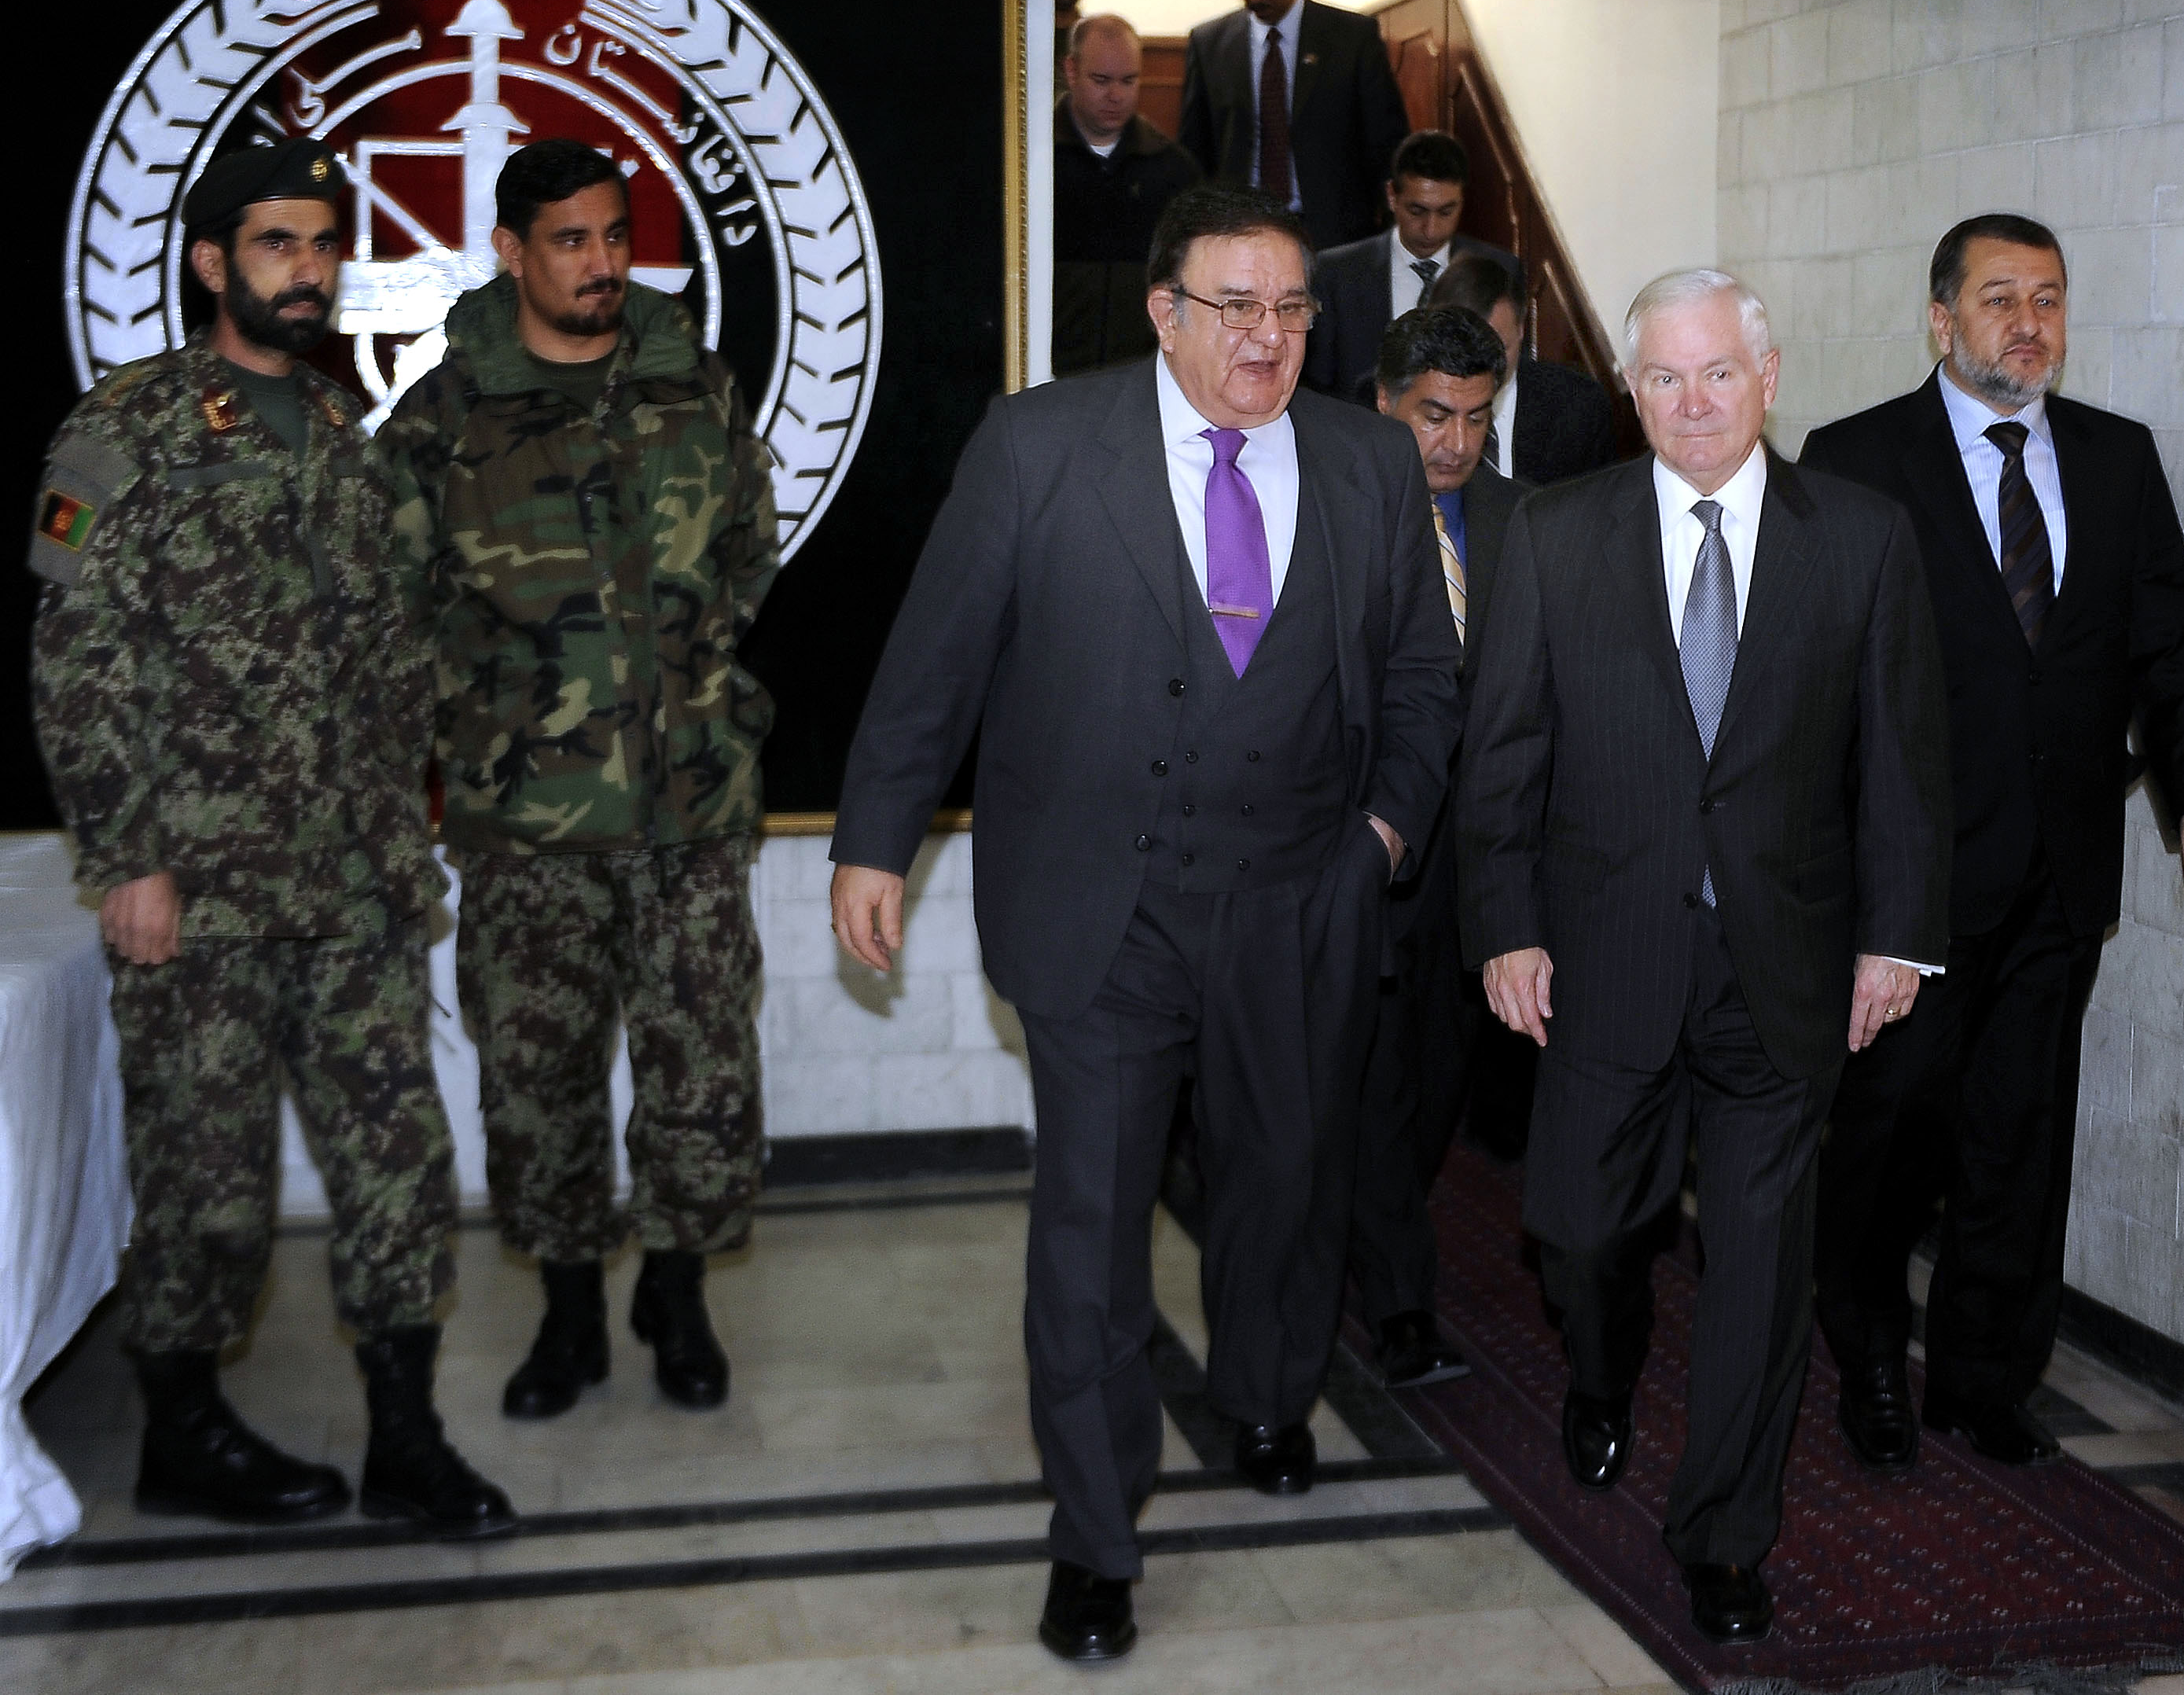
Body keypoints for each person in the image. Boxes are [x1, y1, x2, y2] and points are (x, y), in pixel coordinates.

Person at [828, 183, 1457, 1665]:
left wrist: (1380, 834)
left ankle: (1265, 1389)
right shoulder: (1039, 446)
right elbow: (938, 661)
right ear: (1165, 310)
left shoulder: (1371, 464)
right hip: (1099, 912)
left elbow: (1428, 678)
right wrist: (875, 839)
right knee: (1093, 1230)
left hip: (1301, 897)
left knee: (1285, 1184)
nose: (1268, 335)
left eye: (1293, 306)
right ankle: (1097, 1531)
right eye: (1234, 305)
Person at [28, 137, 512, 1538]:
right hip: (203, 887)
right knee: (208, 1182)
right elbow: (80, 654)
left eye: (319, 243)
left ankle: (407, 1437)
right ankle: (182, 1429)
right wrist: (125, 856)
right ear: (210, 261)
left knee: (397, 1164)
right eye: (277, 243)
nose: (306, 269)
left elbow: (382, 647)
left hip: (356, 882)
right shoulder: (129, 427)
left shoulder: (337, 423)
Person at [1458, 267, 1949, 1644]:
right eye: (1662, 378)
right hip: (1604, 960)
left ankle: (1727, 1529)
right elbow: (1500, 754)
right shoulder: (1558, 536)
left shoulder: (1860, 538)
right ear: (1632, 390)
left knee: (1760, 1266)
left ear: (1769, 376)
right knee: (1576, 1230)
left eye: (1717, 374)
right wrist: (1504, 923)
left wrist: (1896, 938)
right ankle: (1600, 1370)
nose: (1691, 403)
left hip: (1785, 978)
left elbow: (1902, 759)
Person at [1800, 214, 2184, 1474]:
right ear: (1941, 316)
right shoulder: (1855, 458)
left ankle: (1989, 1377)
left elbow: (2168, 640)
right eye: (2000, 298)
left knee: (2020, 1136)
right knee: (1893, 1132)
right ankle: (1872, 1355)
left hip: (2058, 868)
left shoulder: (2115, 458)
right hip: (1912, 882)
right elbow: (1822, 671)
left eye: (2047, 298)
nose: (2028, 323)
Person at [381, 138, 779, 1425]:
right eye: (570, 239)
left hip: (687, 807)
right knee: (539, 1077)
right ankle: (565, 1312)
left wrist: (690, 687)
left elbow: (747, 556)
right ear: (509, 250)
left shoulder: (692, 384)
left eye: (615, 235)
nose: (602, 261)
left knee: (700, 1069)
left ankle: (678, 1289)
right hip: (526, 822)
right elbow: (397, 609)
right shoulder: (446, 419)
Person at [1349, 306, 1527, 1391]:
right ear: (1385, 402)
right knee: (1374, 1084)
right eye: (1433, 414)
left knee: (1437, 1080)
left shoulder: (1524, 519)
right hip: (1367, 851)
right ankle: (1401, 1303)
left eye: (1474, 415)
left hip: (1481, 866)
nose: (1455, 440)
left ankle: (1373, 1239)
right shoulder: (1338, 509)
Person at [1175, 0, 1410, 252]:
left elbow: (1385, 144)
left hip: (1336, 237)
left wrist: (1391, 235)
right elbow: (1193, 154)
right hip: (1237, 236)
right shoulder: (1209, 45)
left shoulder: (1352, 39)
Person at [1303, 130, 1517, 398]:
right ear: (1392, 196)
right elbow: (1318, 386)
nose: (1431, 229)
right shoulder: (1336, 274)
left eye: (1446, 212)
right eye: (1417, 211)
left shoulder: (1501, 271)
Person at [1054, 14, 1202, 376]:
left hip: (1142, 370)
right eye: (1101, 81)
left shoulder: (1174, 170)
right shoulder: (1033, 166)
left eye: (1129, 81)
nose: (1116, 96)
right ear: (1071, 72)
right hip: (1050, 366)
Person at [1422, 254, 1620, 487]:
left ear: (1521, 329)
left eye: (1498, 350)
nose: (1483, 368)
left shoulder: (1580, 408)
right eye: (1465, 352)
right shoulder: (1401, 406)